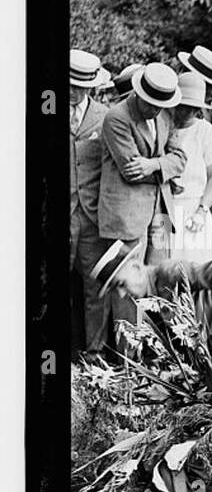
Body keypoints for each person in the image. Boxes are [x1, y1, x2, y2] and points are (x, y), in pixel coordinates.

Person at [96, 62, 190, 339]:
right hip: (126, 216)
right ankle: (129, 359)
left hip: (159, 213)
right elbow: (130, 171)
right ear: (138, 94)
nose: (156, 110)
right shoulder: (117, 117)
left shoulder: (164, 115)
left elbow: (180, 159)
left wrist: (153, 165)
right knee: (127, 287)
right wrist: (165, 170)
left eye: (161, 105)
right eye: (151, 104)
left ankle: (154, 348)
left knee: (158, 282)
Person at [91, 239, 212, 370]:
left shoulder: (168, 273)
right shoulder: (148, 303)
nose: (122, 294)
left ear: (135, 267)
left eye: (121, 285)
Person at [151, 72, 212, 264]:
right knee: (166, 265)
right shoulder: (162, 127)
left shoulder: (204, 130)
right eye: (183, 106)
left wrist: (202, 210)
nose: (187, 112)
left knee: (197, 268)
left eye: (193, 108)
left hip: (194, 209)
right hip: (166, 208)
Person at [69, 50, 111, 360]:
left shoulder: (106, 116)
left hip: (93, 215)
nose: (73, 91)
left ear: (92, 86)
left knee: (96, 285)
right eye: (69, 84)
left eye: (80, 86)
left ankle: (94, 351)